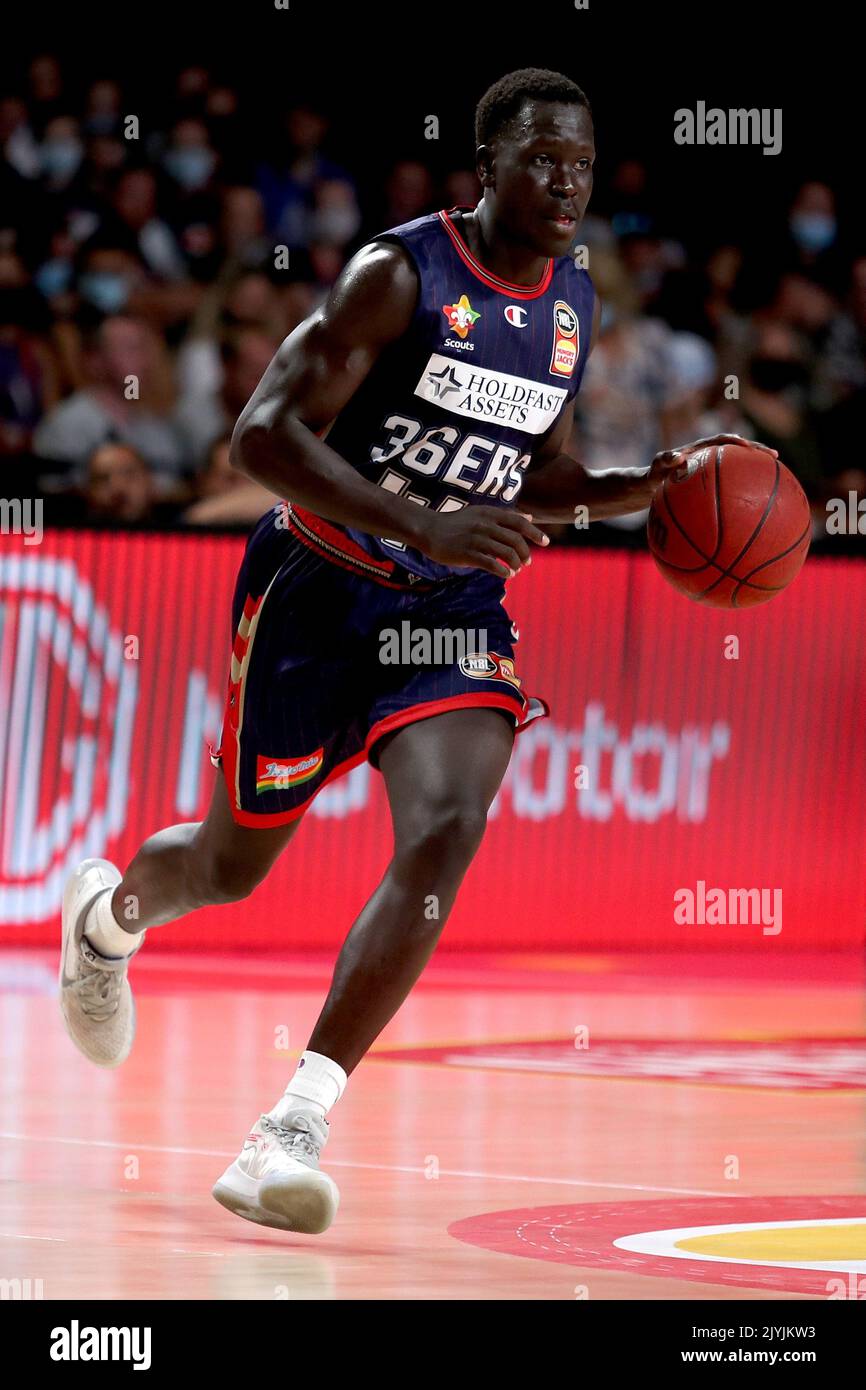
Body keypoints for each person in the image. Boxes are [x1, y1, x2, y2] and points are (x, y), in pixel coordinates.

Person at [58, 68, 774, 1236]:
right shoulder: (397, 275)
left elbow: (528, 467)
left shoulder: (568, 306)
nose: (565, 182)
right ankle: (107, 924)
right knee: (233, 866)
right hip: (315, 585)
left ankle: (292, 1119)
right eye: (541, 158)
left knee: (449, 823)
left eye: (582, 163)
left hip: (450, 604)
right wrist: (416, 519)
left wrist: (624, 491)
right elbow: (261, 435)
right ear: (485, 167)